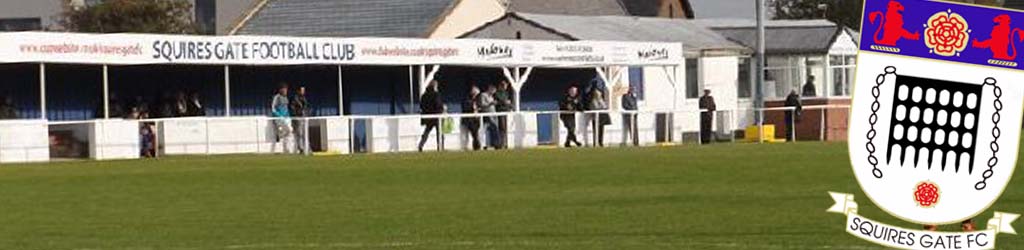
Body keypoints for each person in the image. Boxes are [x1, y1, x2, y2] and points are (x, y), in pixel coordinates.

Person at [417, 80, 445, 152]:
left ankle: (421, 145)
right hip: (437, 116)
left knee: (426, 131)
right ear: (435, 86)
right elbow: (438, 104)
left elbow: (421, 105)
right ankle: (440, 146)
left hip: (428, 117)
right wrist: (443, 108)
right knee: (440, 132)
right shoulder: (436, 94)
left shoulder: (424, 95)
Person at [271, 84, 292, 153]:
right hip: (280, 118)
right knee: (289, 130)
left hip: (287, 118)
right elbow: (273, 109)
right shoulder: (277, 97)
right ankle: (284, 147)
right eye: (284, 89)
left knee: (288, 133)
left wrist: (289, 116)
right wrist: (279, 116)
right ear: (280, 90)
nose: (285, 91)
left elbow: (286, 108)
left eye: (286, 89)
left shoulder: (286, 98)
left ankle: (286, 149)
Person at [290, 86, 311, 154]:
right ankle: (300, 148)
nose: (303, 92)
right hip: (298, 118)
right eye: (302, 90)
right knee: (299, 133)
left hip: (304, 117)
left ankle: (307, 148)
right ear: (298, 91)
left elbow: (306, 107)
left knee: (305, 133)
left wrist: (306, 112)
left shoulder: (304, 99)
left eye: (303, 90)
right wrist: (297, 113)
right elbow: (292, 108)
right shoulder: (295, 99)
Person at [493, 80, 514, 149]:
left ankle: (504, 143)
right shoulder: (497, 93)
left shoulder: (506, 93)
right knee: (501, 128)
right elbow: (501, 100)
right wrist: (505, 102)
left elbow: (509, 101)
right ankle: (500, 144)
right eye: (504, 85)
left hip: (506, 112)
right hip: (500, 112)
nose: (505, 87)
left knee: (505, 128)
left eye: (506, 85)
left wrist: (510, 106)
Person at [477, 85, 499, 150]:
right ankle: (483, 144)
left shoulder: (491, 96)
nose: (493, 93)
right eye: (493, 91)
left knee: (494, 129)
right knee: (484, 130)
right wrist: (490, 104)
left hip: (493, 115)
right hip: (486, 115)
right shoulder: (483, 95)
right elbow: (482, 104)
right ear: (490, 89)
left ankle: (495, 144)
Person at [461, 86, 482, 151]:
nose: (476, 95)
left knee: (475, 134)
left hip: (475, 120)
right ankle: (466, 147)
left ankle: (476, 147)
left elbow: (480, 107)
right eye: (475, 93)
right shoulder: (466, 99)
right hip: (468, 120)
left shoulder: (477, 99)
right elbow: (465, 107)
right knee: (467, 134)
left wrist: (477, 109)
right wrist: (473, 107)